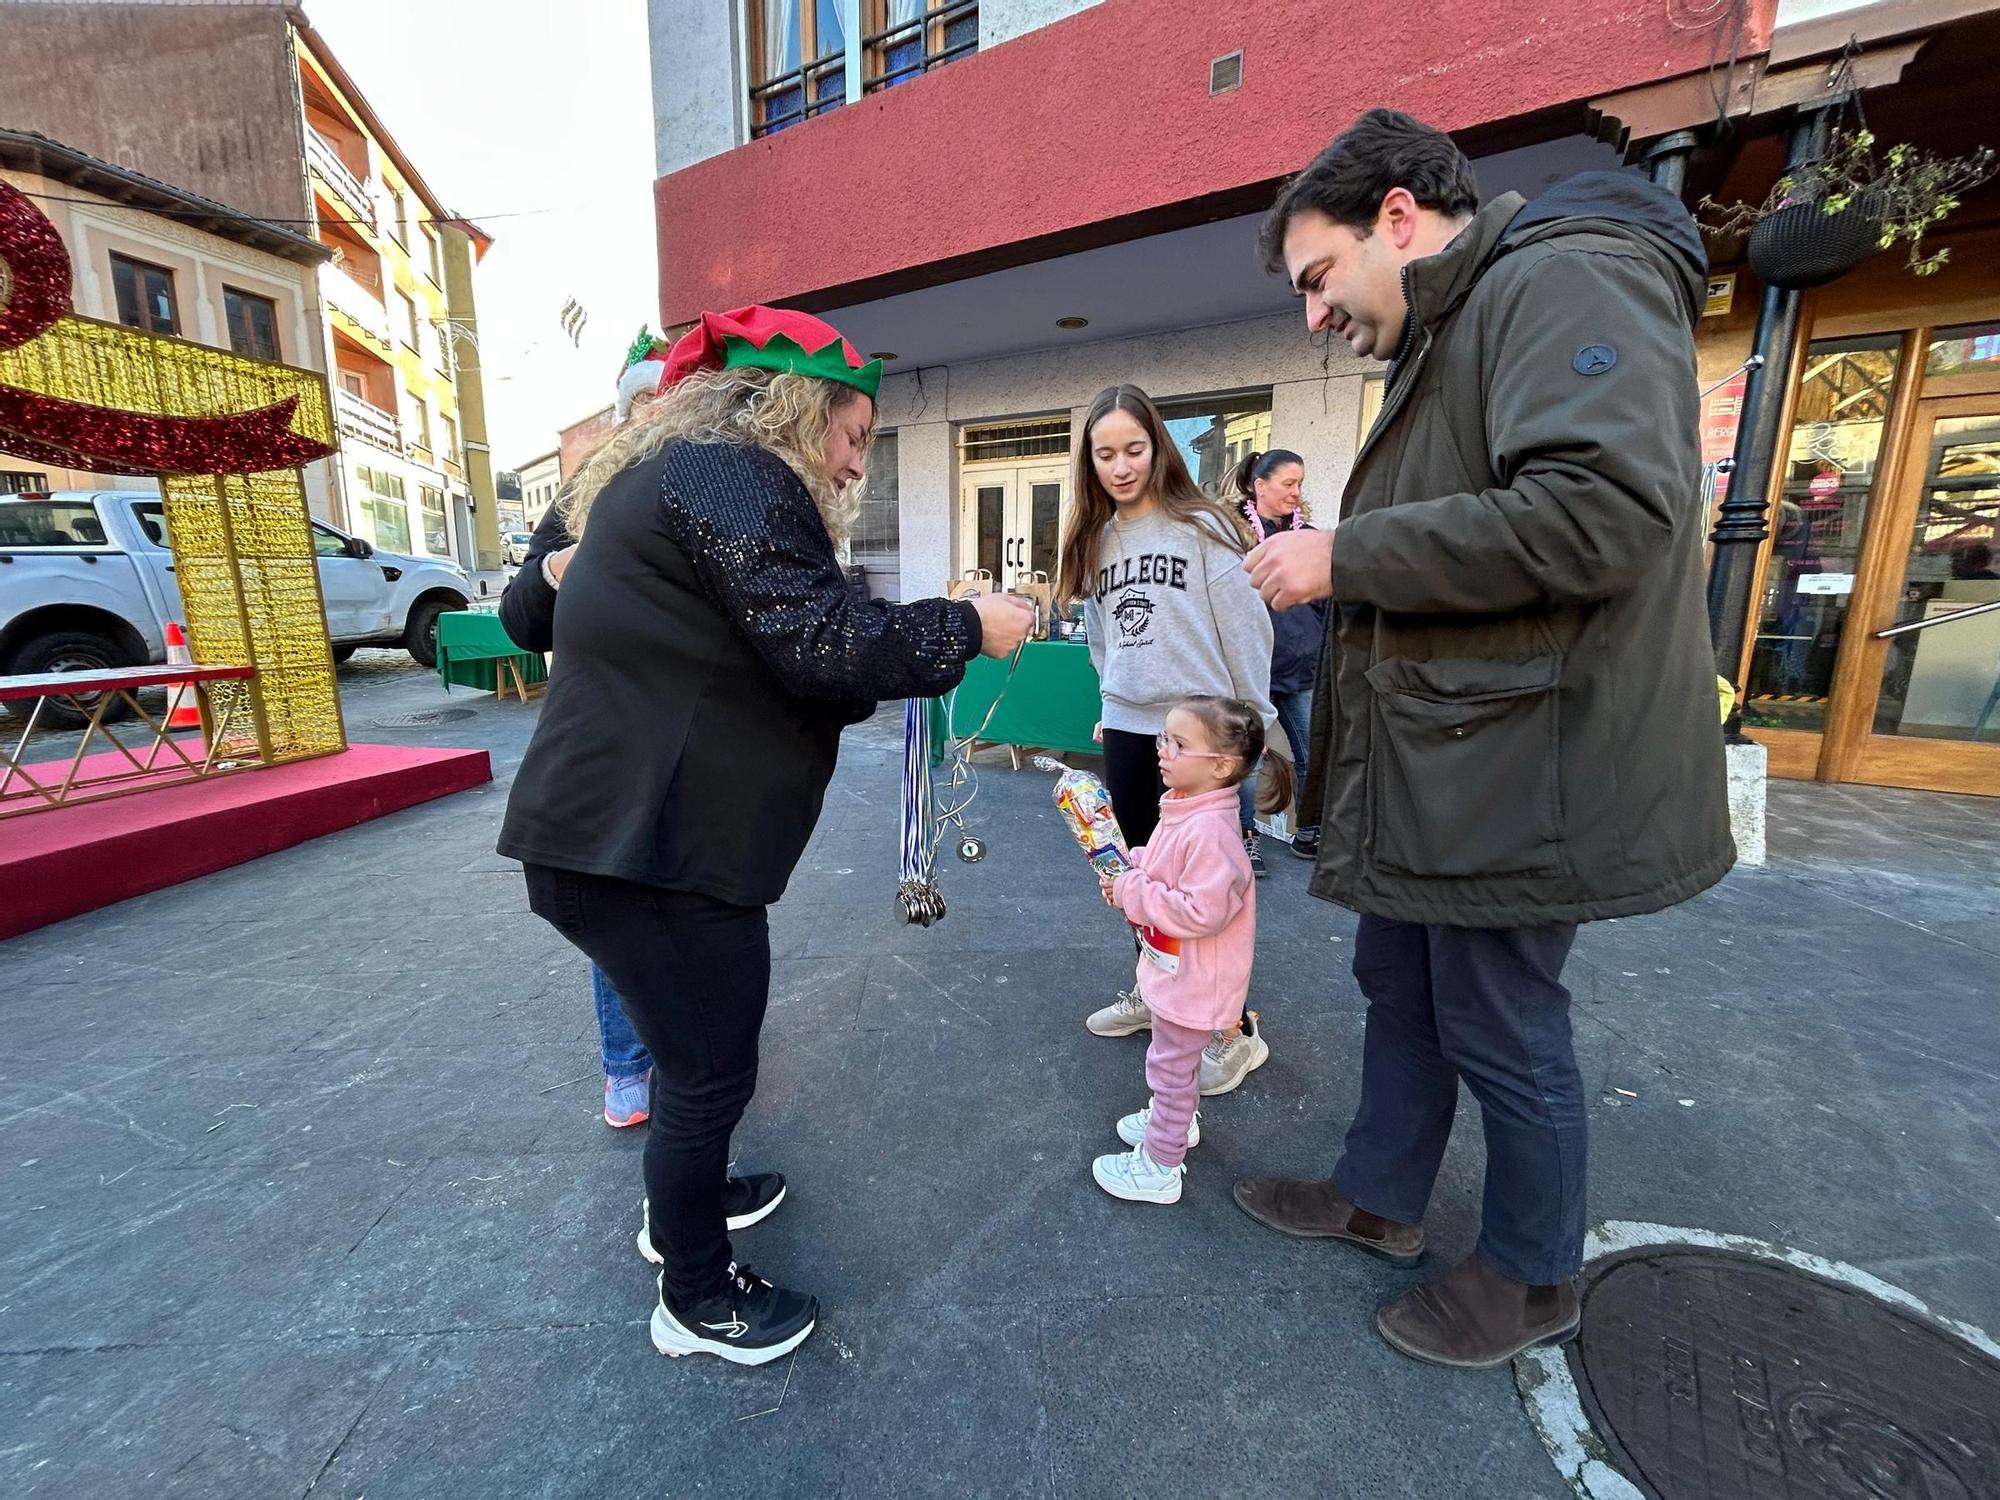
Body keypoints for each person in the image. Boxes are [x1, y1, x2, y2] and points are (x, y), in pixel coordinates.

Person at [1235, 109, 1733, 1369]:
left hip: (1515, 772)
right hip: (1451, 766)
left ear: (1395, 216)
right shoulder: (1455, 322)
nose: (1312, 315)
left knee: (1501, 1018)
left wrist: (1344, 554)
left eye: (1317, 277)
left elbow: (1600, 513)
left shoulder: (1560, 277)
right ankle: (1378, 1198)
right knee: (1399, 987)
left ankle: (1530, 1277)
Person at [498, 305, 1035, 1366]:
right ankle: (695, 1295)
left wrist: (899, 641)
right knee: (706, 1075)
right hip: (651, 853)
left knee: (691, 1065)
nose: (849, 464)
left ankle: (685, 1204)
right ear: (793, 408)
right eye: (849, 434)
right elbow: (830, 646)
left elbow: (788, 661)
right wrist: (968, 626)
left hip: (617, 843)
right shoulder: (735, 474)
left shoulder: (668, 480)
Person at [1054, 384, 1278, 1098]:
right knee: (1137, 877)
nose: (1120, 467)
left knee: (1209, 893)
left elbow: (1248, 630)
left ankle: (1232, 1031)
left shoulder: (1205, 525)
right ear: (1088, 462)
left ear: (1159, 448)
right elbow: (1099, 636)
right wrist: (1110, 695)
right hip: (1128, 730)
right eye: (1104, 454)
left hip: (1205, 743)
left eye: (1133, 449)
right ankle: (1158, 996)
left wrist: (1256, 731)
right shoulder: (1095, 539)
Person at [498, 339, 674, 1133]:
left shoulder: (724, 488)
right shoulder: (582, 494)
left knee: (706, 897)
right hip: (608, 736)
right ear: (626, 411)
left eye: (676, 396)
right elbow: (520, 617)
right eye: (647, 399)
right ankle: (629, 1065)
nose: (661, 412)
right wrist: (552, 570)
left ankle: (696, 1040)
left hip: (703, 738)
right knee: (619, 901)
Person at [1093, 696, 1293, 1204]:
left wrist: (1134, 891)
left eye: (1178, 744)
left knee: (1170, 1066)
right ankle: (1174, 1122)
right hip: (1179, 971)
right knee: (1172, 1064)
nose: (1162, 750)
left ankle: (1161, 1164)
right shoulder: (1187, 806)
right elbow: (1166, 865)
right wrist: (1133, 865)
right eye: (1164, 738)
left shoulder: (1210, 830)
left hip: (1194, 979)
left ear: (1222, 765)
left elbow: (1202, 910)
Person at [1228, 448, 1325, 860]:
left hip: (1300, 668)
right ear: (1259, 486)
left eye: (1300, 483)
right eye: (1289, 483)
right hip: (1252, 669)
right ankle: (1245, 838)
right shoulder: (1233, 537)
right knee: (1245, 760)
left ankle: (1309, 833)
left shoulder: (1308, 535)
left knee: (1313, 755)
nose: (1296, 492)